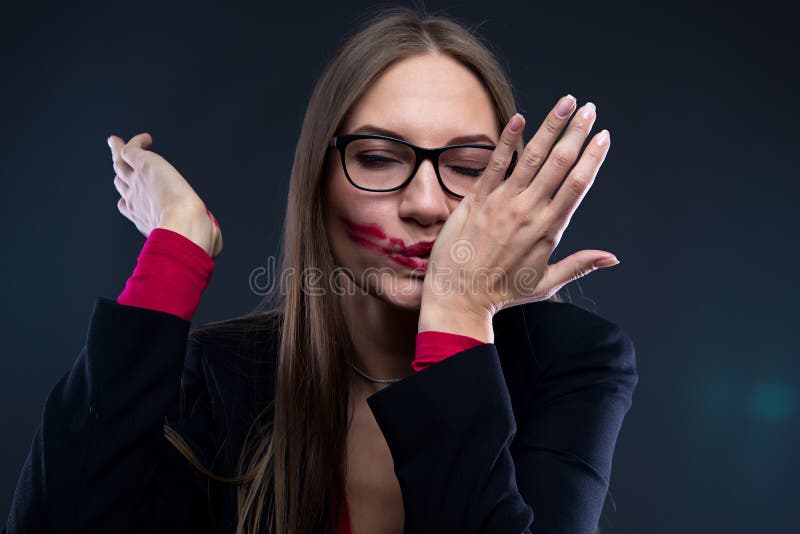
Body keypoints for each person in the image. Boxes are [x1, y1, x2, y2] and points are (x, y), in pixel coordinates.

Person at [3, 5, 638, 534]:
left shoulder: (573, 364)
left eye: (469, 166)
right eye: (379, 157)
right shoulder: (221, 380)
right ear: (319, 181)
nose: (424, 204)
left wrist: (458, 314)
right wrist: (175, 248)